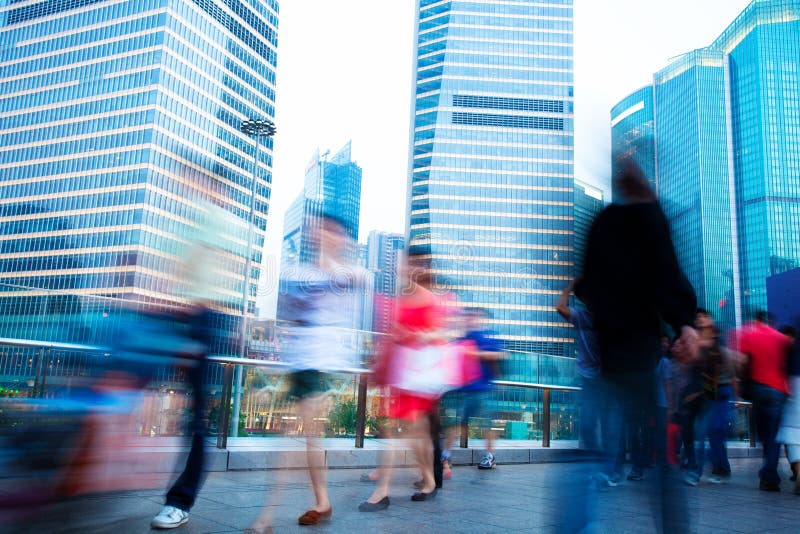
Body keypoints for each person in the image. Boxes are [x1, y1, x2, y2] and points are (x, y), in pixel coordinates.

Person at [572, 157, 698, 533]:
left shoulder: (603, 221)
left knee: (592, 449)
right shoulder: (651, 218)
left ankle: (577, 524)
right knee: (656, 456)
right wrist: (684, 325)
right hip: (637, 354)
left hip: (610, 358)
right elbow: (668, 276)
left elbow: (588, 285)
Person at [251, 213, 368, 529]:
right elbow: (289, 311)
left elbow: (353, 279)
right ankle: (322, 501)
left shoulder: (348, 272)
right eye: (318, 230)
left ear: (343, 238)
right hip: (300, 362)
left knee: (292, 437)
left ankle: (266, 517)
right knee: (307, 438)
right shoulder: (303, 273)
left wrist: (331, 255)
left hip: (321, 365)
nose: (321, 235)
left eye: (330, 231)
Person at [151, 195, 242, 530]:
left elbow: (216, 281)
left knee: (198, 423)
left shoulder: (216, 222)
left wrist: (197, 335)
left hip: (205, 322)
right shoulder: (196, 220)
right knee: (193, 420)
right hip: (192, 319)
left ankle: (180, 502)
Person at [360, 247, 453, 511]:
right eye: (406, 263)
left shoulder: (430, 299)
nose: (409, 268)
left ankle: (402, 486)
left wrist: (420, 335)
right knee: (405, 432)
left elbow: (441, 335)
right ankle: (416, 482)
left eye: (415, 263)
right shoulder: (399, 298)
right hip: (402, 373)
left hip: (420, 375)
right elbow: (393, 334)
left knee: (413, 433)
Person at [440, 307, 505, 472]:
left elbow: (501, 355)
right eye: (467, 316)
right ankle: (445, 456)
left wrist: (475, 353)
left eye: (474, 316)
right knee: (456, 424)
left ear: (481, 319)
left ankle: (490, 457)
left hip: (484, 389)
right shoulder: (460, 339)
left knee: (487, 425)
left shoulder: (489, 336)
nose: (470, 319)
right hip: (463, 390)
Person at [736, 312, 792, 491]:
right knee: (774, 435)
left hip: (758, 389)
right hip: (779, 390)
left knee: (765, 436)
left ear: (755, 321)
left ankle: (770, 474)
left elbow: (743, 363)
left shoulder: (748, 335)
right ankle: (770, 474)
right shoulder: (782, 339)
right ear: (770, 322)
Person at [555, 279, 604, 453]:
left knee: (607, 423)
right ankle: (595, 459)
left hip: (606, 378)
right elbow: (560, 307)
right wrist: (570, 286)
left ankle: (611, 464)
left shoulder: (608, 317)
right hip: (588, 377)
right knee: (587, 423)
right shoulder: (581, 317)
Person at [694, 310, 737, 484]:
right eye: (698, 317)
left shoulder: (720, 348)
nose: (700, 319)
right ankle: (714, 468)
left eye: (704, 316)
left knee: (715, 430)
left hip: (722, 392)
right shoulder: (696, 342)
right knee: (708, 431)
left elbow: (733, 374)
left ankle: (720, 469)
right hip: (705, 394)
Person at [776, 326, 799, 494]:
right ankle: (797, 473)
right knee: (792, 439)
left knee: (792, 437)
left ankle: (798, 473)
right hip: (789, 397)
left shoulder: (789, 353)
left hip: (792, 395)